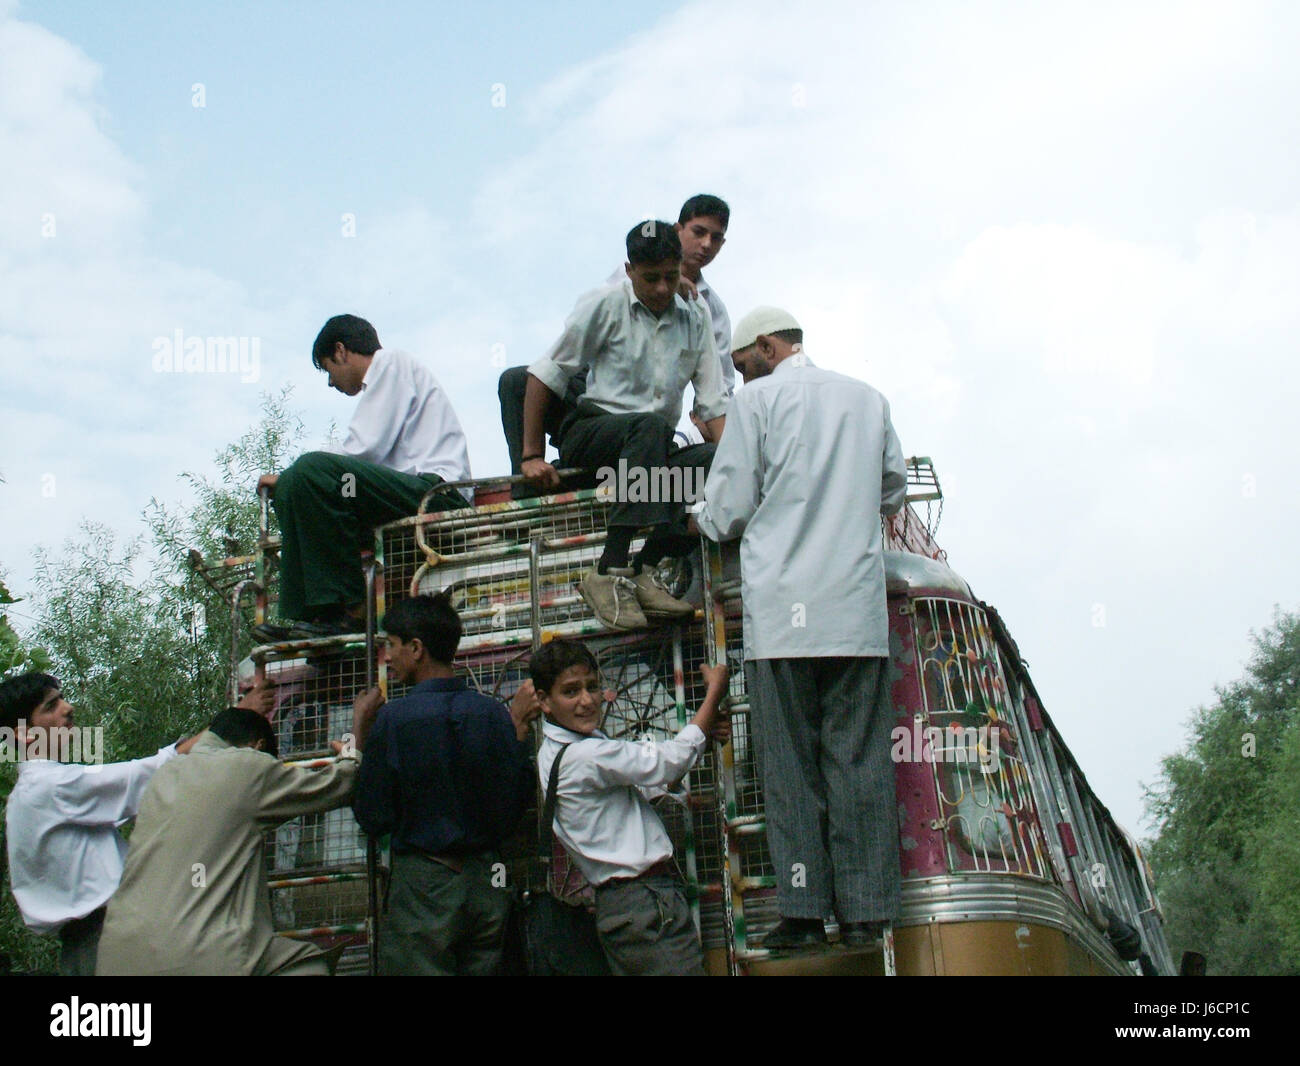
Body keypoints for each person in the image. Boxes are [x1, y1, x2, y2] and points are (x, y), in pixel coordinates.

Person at [692, 307, 909, 950]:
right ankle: (868, 914)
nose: (739, 375)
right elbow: (892, 490)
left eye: (739, 363)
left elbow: (728, 507)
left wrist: (697, 518)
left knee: (790, 772)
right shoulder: (867, 399)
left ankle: (806, 916)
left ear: (764, 346)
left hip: (785, 614)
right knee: (861, 763)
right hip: (853, 611)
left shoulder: (756, 402)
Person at [521, 222, 728, 630]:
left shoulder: (695, 314)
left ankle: (644, 570)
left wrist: (732, 465)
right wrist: (531, 455)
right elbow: (546, 373)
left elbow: (713, 401)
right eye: (650, 279)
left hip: (650, 452)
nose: (662, 289)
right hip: (594, 434)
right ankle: (608, 571)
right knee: (649, 429)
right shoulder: (603, 303)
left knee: (718, 458)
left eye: (671, 277)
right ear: (630, 270)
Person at [95, 687, 380, 975]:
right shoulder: (247, 766)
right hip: (196, 956)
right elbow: (341, 783)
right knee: (309, 964)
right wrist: (353, 737)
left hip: (116, 957)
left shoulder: (163, 777)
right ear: (257, 747)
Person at [0, 671, 244, 975]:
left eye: (61, 698)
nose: (67, 707)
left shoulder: (33, 794)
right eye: (51, 706)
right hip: (106, 941)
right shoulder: (51, 786)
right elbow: (148, 774)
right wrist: (238, 719)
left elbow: (129, 796)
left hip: (86, 946)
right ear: (23, 733)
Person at [351, 593, 538, 976]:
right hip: (488, 879)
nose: (388, 657)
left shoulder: (393, 721)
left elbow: (373, 816)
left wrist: (359, 735)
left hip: (425, 886)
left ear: (416, 649)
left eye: (392, 646)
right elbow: (514, 800)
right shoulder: (491, 714)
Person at [254, 314, 473, 641]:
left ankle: (351, 609)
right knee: (296, 486)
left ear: (341, 351)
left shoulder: (392, 364)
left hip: (437, 493)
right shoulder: (390, 379)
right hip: (408, 492)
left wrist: (294, 473)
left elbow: (365, 448)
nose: (331, 382)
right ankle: (315, 616)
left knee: (309, 473)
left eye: (329, 369)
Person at [497, 194, 734, 494]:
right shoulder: (621, 286)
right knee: (519, 381)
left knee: (659, 435)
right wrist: (672, 286)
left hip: (656, 421)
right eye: (699, 232)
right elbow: (580, 334)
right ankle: (530, 484)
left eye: (716, 238)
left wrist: (730, 458)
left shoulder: (708, 311)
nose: (705, 245)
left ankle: (613, 487)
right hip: (597, 389)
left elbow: (716, 397)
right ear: (678, 230)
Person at [532, 638, 729, 975]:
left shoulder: (558, 752)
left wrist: (704, 734)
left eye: (592, 687)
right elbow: (669, 762)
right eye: (571, 691)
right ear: (544, 701)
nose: (587, 700)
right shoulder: (586, 755)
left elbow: (649, 786)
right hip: (644, 902)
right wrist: (714, 694)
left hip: (624, 905)